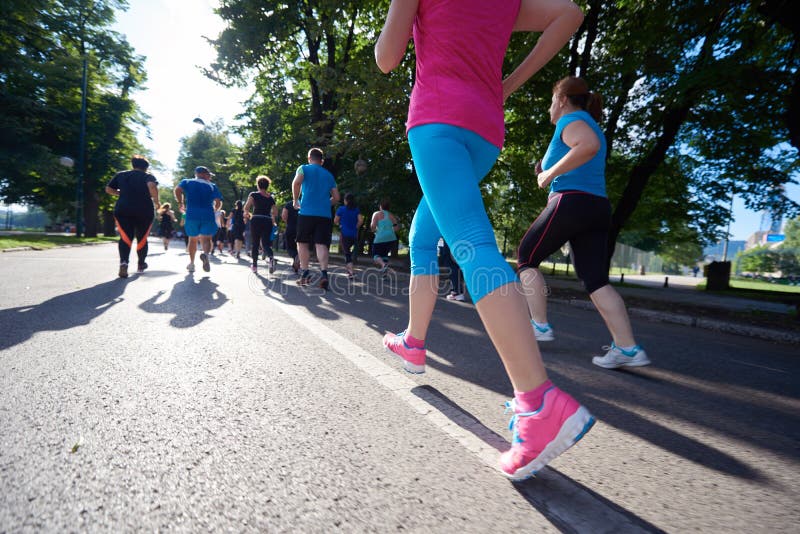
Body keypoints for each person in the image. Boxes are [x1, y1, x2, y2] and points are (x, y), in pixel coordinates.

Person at [375, 0, 589, 481]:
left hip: (437, 118)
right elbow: (570, 14)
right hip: (485, 130)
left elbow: (387, 58)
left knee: (471, 244)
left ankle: (538, 403)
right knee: (424, 233)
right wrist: (507, 83)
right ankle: (414, 341)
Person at [517, 76, 651, 370]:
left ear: (562, 99)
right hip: (596, 207)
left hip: (572, 202)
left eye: (552, 101)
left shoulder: (573, 120)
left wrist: (548, 174)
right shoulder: (589, 125)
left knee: (526, 258)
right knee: (595, 280)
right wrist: (547, 167)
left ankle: (539, 326)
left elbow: (586, 146)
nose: (550, 108)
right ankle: (627, 348)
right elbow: (582, 151)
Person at [105, 154, 160, 278]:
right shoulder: (148, 176)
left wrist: (121, 193)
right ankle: (141, 264)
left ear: (133, 165)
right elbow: (152, 186)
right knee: (142, 238)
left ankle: (124, 262)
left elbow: (108, 189)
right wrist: (157, 202)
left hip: (123, 210)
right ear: (146, 167)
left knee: (125, 237)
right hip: (144, 211)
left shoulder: (121, 175)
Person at [292, 147, 340, 289]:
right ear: (322, 161)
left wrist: (295, 200)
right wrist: (325, 203)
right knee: (321, 244)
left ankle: (305, 273)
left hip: (306, 212)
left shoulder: (303, 168)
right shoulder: (329, 175)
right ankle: (324, 274)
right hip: (324, 215)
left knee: (302, 243)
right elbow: (337, 197)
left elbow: (296, 182)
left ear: (309, 158)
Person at [174, 166, 223, 273]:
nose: (210, 177)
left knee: (193, 239)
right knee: (206, 239)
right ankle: (205, 255)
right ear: (203, 174)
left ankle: (191, 264)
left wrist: (180, 202)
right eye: (208, 175)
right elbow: (218, 202)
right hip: (208, 215)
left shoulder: (187, 182)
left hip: (192, 215)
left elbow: (177, 190)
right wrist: (215, 210)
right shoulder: (212, 186)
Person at [243, 175, 278, 273]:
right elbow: (275, 212)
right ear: (267, 186)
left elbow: (246, 207)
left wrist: (248, 214)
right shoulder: (271, 198)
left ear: (258, 185)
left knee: (256, 243)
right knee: (266, 243)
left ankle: (254, 266)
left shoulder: (253, 194)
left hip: (256, 219)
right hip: (267, 220)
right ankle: (271, 258)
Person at [334, 192, 364, 279]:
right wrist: (356, 226)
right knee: (348, 253)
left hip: (345, 235)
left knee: (347, 254)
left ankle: (351, 272)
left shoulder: (341, 209)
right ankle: (349, 270)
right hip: (354, 235)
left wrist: (340, 224)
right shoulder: (356, 210)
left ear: (346, 200)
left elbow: (335, 221)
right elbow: (361, 220)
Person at [370, 199, 398, 277]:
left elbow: (373, 226)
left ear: (380, 206)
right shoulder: (391, 215)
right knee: (384, 255)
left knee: (376, 256)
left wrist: (374, 231)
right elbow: (396, 228)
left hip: (380, 238)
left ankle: (383, 265)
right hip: (391, 239)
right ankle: (384, 274)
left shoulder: (376, 214)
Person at [281, 198, 300, 273]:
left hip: (291, 228)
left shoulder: (289, 204)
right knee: (300, 247)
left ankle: (296, 256)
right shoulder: (304, 203)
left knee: (290, 247)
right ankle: (296, 262)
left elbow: (284, 216)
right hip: (302, 228)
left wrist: (288, 222)